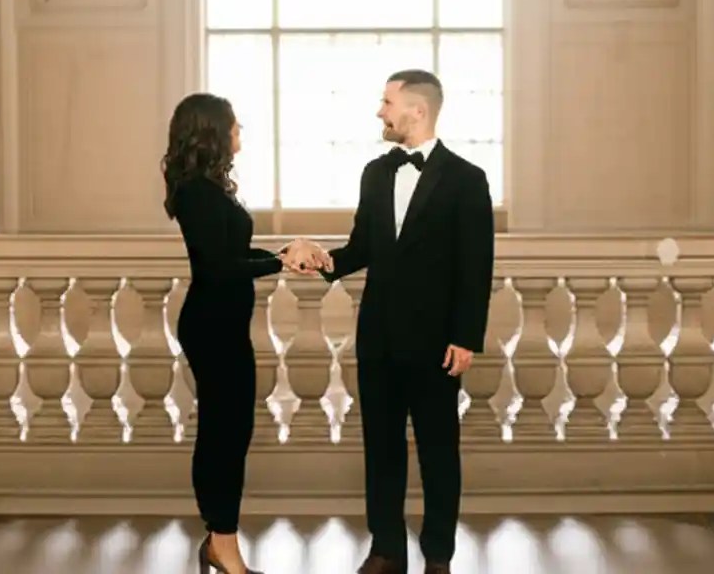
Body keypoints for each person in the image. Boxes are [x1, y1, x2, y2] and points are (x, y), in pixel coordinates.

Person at [289, 70, 495, 574]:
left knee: (439, 453)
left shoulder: (467, 179)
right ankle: (385, 550)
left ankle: (438, 556)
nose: (380, 111)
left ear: (417, 111)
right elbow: (362, 247)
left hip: (437, 343)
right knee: (381, 449)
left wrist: (465, 338)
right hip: (378, 337)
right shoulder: (375, 173)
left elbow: (476, 265)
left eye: (387, 102)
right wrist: (322, 260)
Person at [162, 93, 327, 574]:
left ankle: (219, 540)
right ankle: (223, 545)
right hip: (211, 327)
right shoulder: (196, 191)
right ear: (212, 132)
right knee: (224, 435)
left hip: (225, 325)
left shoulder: (209, 188)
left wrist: (282, 256)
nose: (240, 132)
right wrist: (280, 262)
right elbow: (217, 268)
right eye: (234, 125)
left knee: (230, 432)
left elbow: (231, 253)